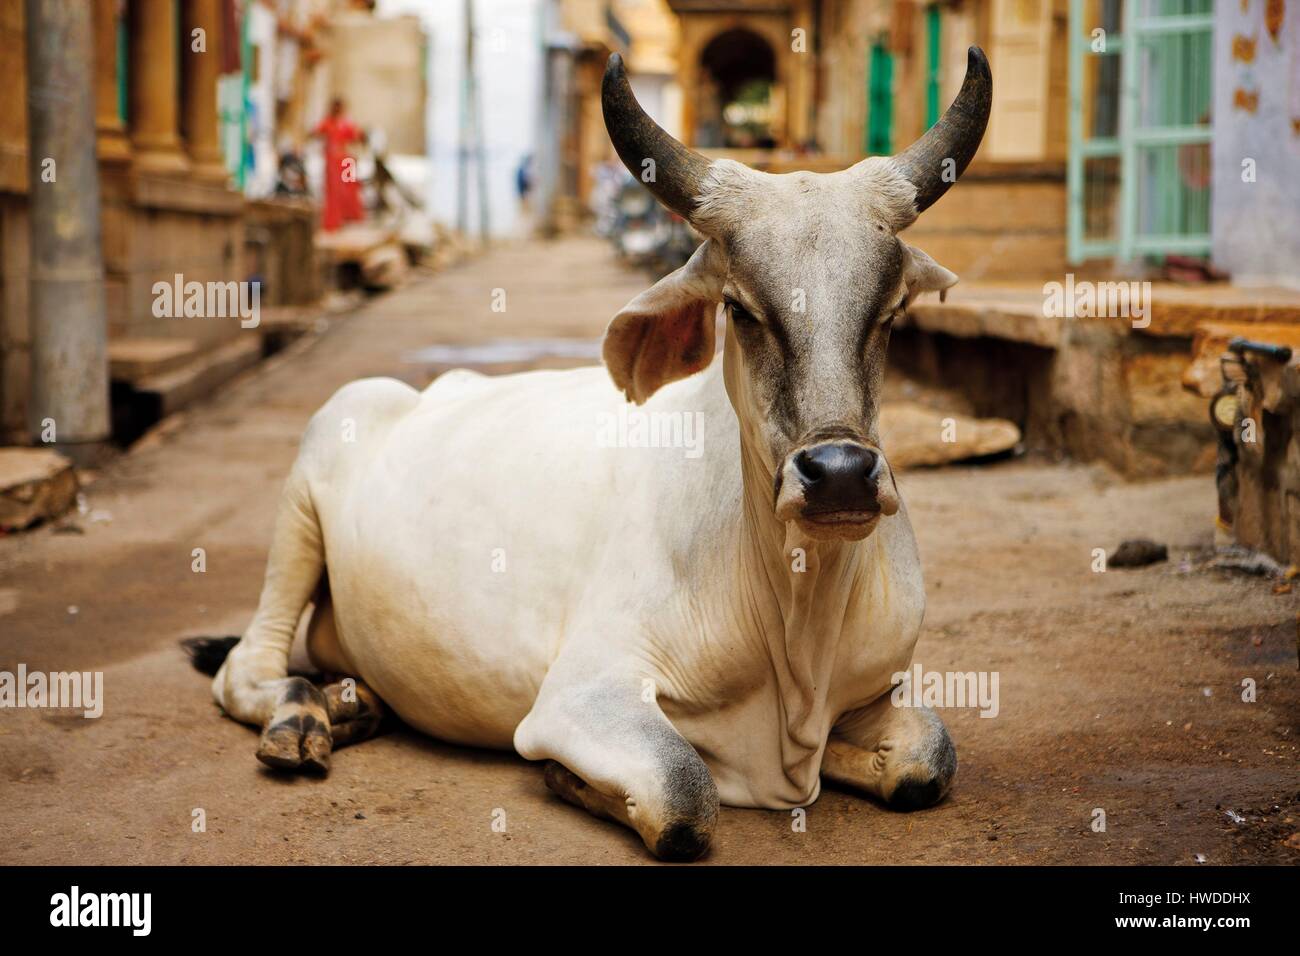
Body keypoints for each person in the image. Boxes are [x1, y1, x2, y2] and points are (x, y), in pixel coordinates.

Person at [311, 97, 366, 231]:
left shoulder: (345, 123)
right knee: (333, 191)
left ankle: (348, 217)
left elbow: (358, 136)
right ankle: (334, 221)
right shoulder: (328, 122)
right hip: (333, 162)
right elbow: (315, 133)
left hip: (345, 162)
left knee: (348, 189)